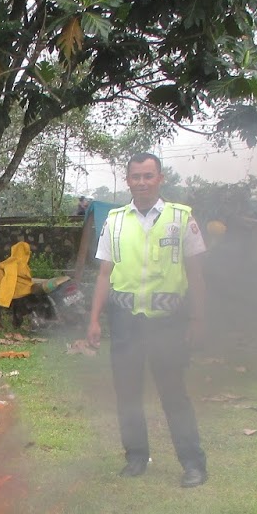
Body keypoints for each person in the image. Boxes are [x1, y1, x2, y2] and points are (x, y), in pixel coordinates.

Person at [85, 153, 209, 487]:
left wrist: (198, 318)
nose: (141, 182)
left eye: (148, 176)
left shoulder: (181, 219)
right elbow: (104, 274)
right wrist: (94, 320)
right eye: (136, 177)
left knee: (173, 393)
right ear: (127, 181)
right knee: (127, 393)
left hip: (168, 322)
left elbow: (196, 275)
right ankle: (136, 457)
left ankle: (193, 464)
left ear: (160, 178)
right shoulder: (115, 221)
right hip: (126, 321)